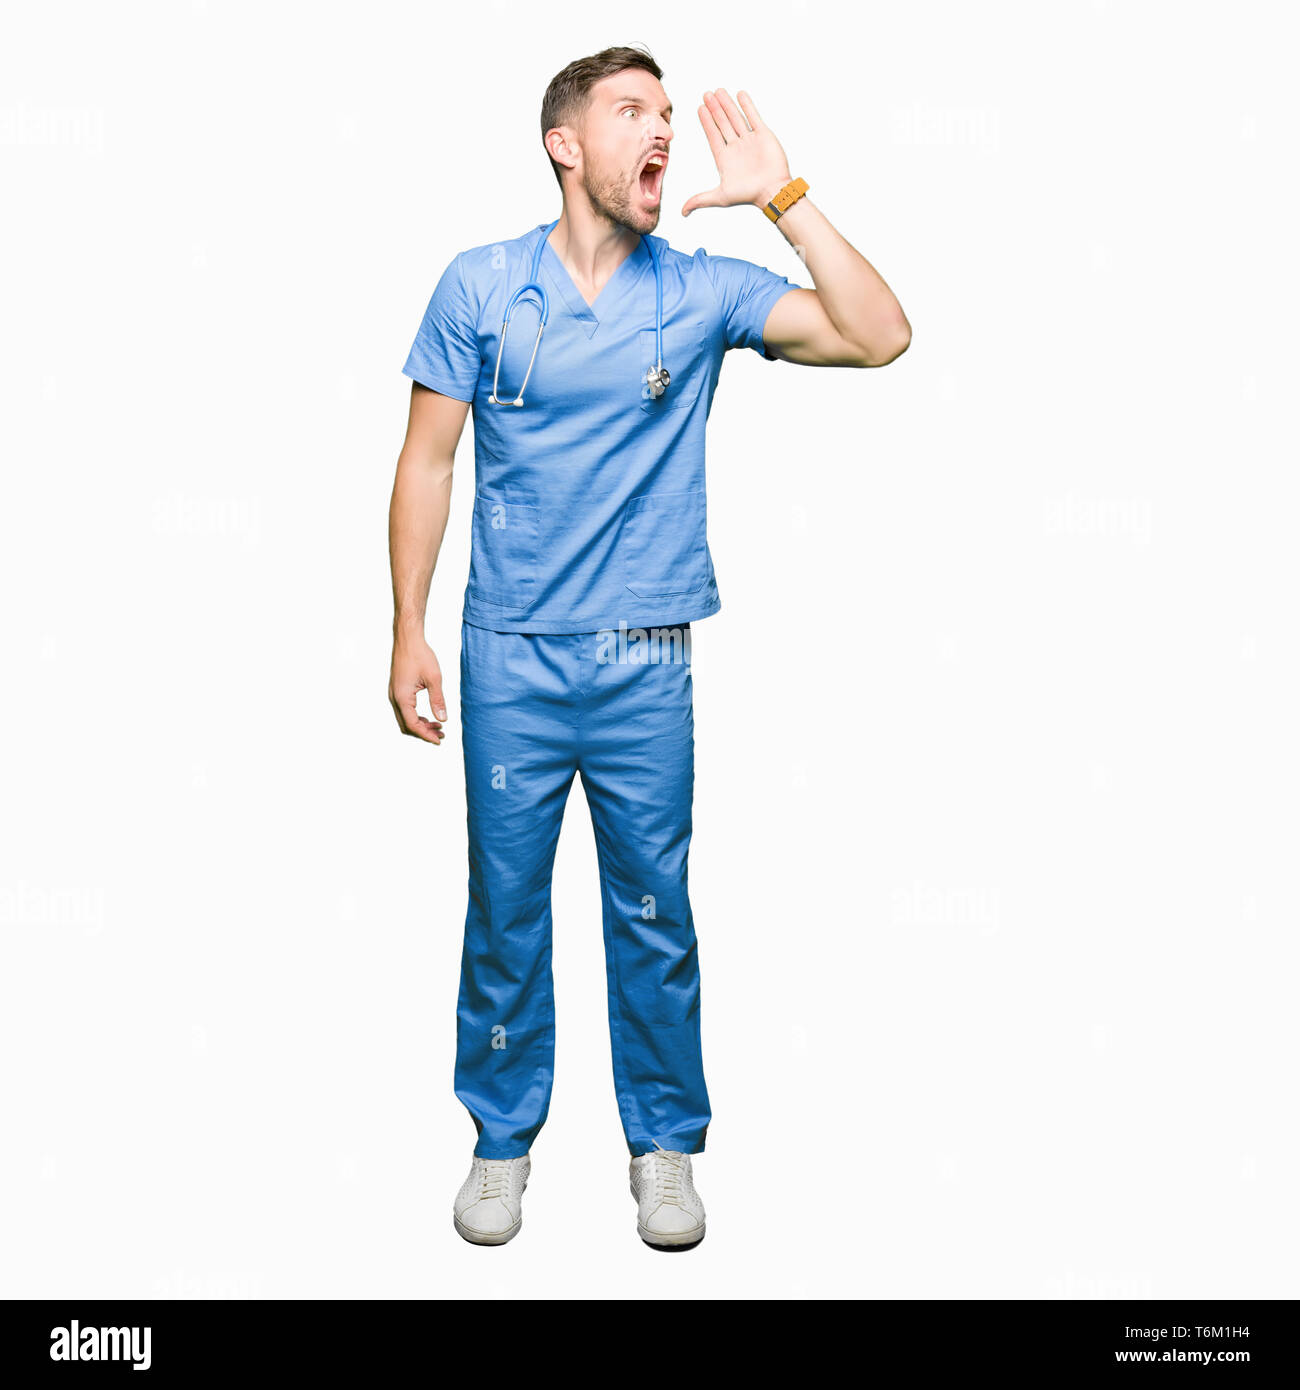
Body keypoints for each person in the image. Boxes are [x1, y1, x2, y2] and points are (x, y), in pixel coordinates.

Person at [388, 44, 910, 1250]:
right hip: (507, 653)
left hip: (644, 662)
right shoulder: (478, 284)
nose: (662, 131)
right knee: (504, 910)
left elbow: (880, 335)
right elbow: (426, 461)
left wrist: (786, 196)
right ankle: (501, 1141)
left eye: (668, 114)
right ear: (564, 141)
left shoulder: (704, 288)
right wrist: (406, 629)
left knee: (653, 913)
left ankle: (664, 1146)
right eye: (633, 110)